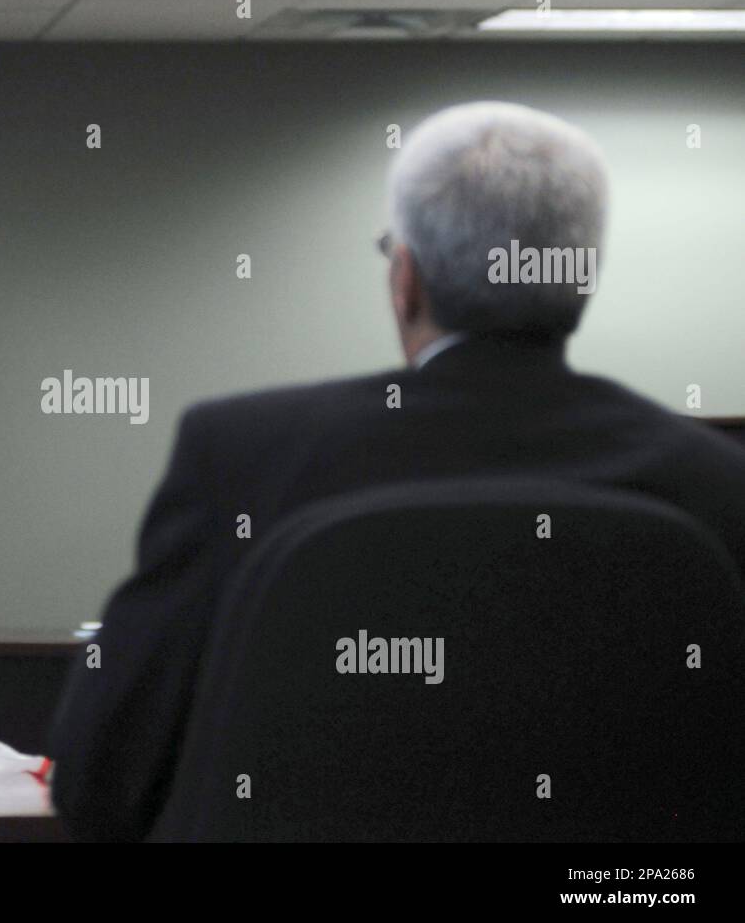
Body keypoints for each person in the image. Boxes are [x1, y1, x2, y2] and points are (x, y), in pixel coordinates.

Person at [48, 100, 745, 842]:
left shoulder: (242, 455)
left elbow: (102, 777)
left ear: (404, 278)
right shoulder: (716, 481)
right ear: (584, 275)